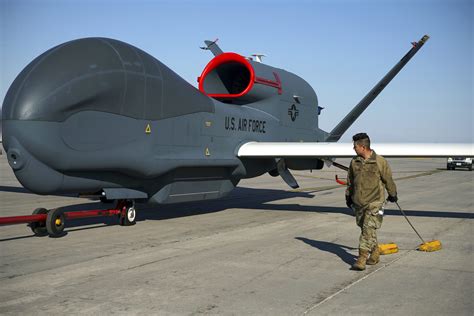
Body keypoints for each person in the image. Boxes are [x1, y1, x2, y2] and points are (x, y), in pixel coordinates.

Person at [345, 133, 398, 271]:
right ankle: (375, 253)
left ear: (363, 147)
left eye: (355, 146)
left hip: (375, 203)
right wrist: (348, 196)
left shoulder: (380, 161)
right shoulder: (354, 162)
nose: (353, 148)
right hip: (359, 203)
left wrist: (392, 194)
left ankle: (361, 259)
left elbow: (388, 179)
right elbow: (350, 181)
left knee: (367, 230)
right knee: (365, 229)